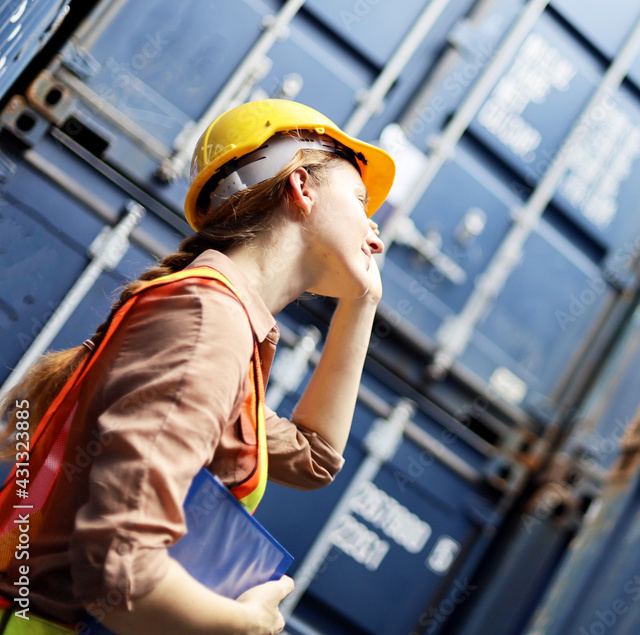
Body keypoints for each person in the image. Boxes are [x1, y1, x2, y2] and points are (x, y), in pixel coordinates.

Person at [0, 99, 395, 634]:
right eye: (359, 200)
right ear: (301, 188)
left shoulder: (226, 320)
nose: (376, 233)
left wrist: (362, 302)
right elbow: (117, 570)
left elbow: (313, 456)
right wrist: (245, 625)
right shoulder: (207, 322)